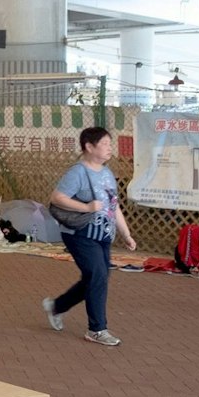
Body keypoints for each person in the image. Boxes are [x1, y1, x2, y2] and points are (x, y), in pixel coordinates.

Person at [44, 126, 136, 347]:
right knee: (97, 276)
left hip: (103, 234)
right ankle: (97, 329)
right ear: (89, 146)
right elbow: (57, 198)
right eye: (105, 144)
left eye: (109, 144)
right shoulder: (78, 172)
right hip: (79, 234)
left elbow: (114, 207)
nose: (109, 148)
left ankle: (57, 306)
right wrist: (86, 207)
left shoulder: (106, 173)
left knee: (96, 278)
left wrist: (126, 234)